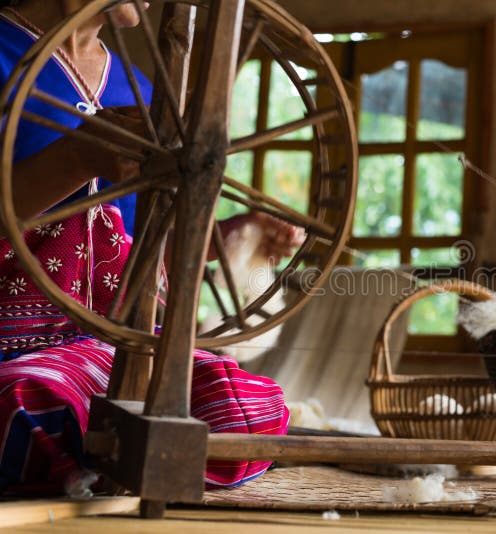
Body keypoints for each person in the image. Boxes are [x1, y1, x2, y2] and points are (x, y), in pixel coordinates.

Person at [0, 0, 300, 494]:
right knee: (33, 406)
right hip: (14, 347)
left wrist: (231, 237)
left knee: (245, 403)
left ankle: (103, 465)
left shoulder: (140, 88)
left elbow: (148, 248)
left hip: (109, 343)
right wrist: (79, 154)